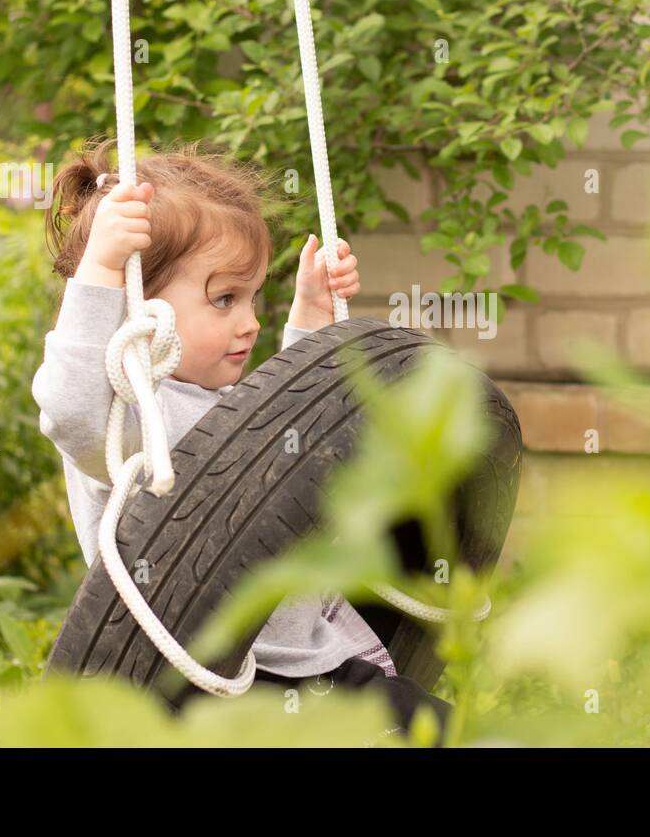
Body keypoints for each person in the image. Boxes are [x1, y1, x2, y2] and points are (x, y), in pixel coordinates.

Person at [32, 138, 450, 739]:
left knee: (431, 725)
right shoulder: (127, 416)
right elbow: (67, 410)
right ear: (134, 305)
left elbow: (295, 433)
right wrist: (97, 272)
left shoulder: (218, 403)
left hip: (301, 667)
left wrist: (309, 313)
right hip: (212, 686)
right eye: (224, 299)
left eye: (252, 297)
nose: (250, 321)